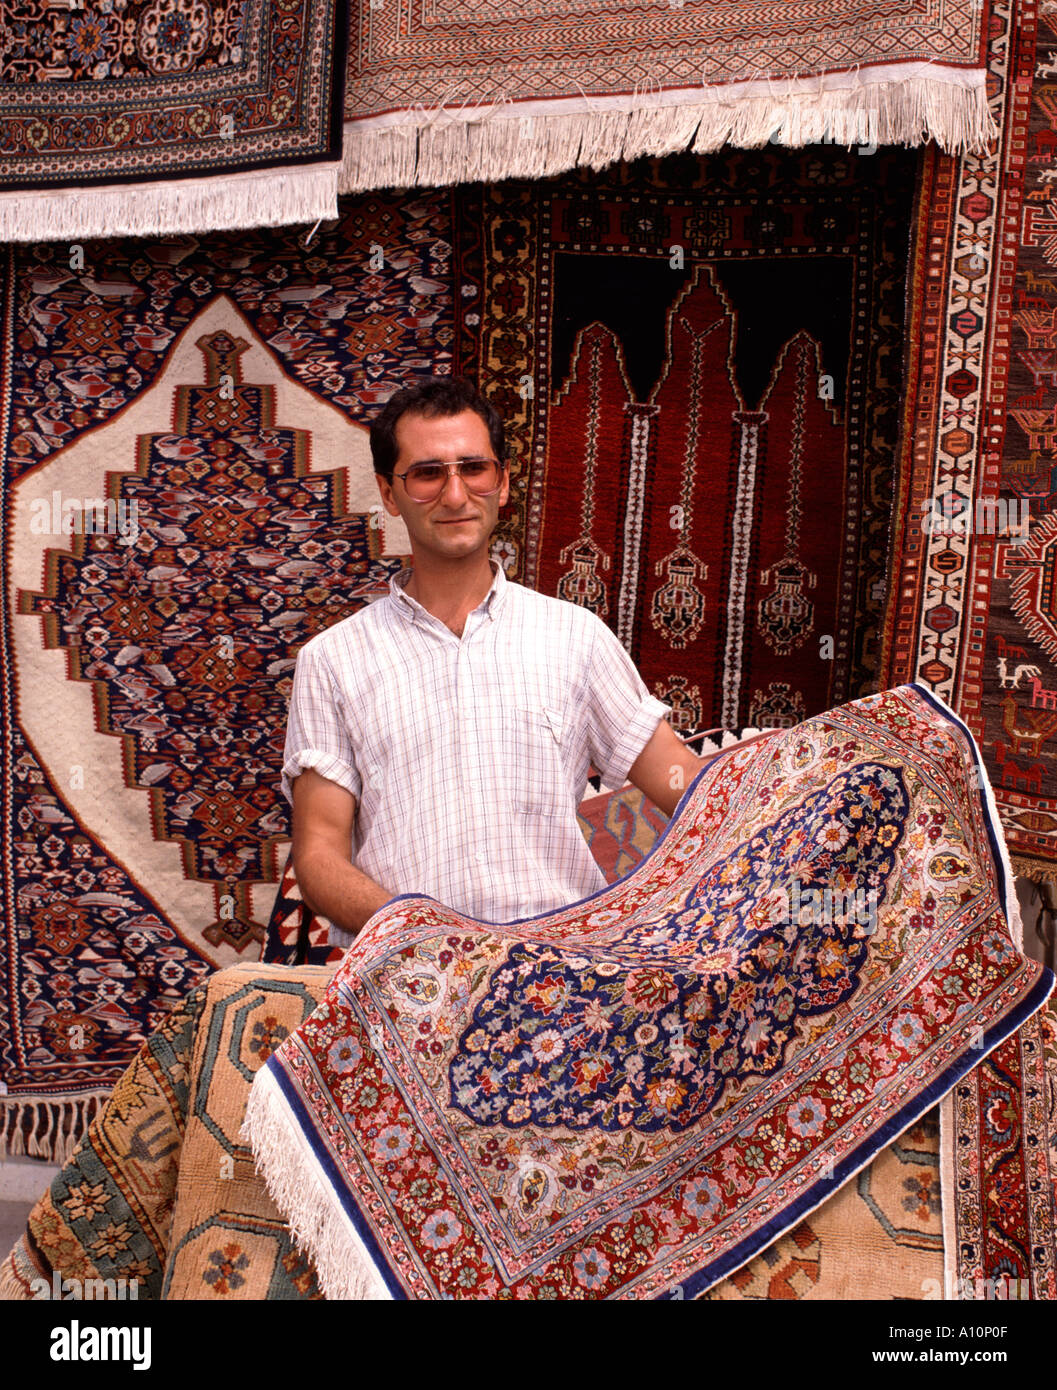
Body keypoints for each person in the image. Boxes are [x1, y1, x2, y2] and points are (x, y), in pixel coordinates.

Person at [281, 376, 753, 947]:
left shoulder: (572, 637)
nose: (455, 495)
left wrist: (797, 803)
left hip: (560, 977)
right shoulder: (333, 661)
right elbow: (319, 856)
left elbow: (683, 783)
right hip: (414, 979)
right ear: (388, 493)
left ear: (502, 484)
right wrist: (426, 934)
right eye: (428, 474)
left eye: (473, 469)